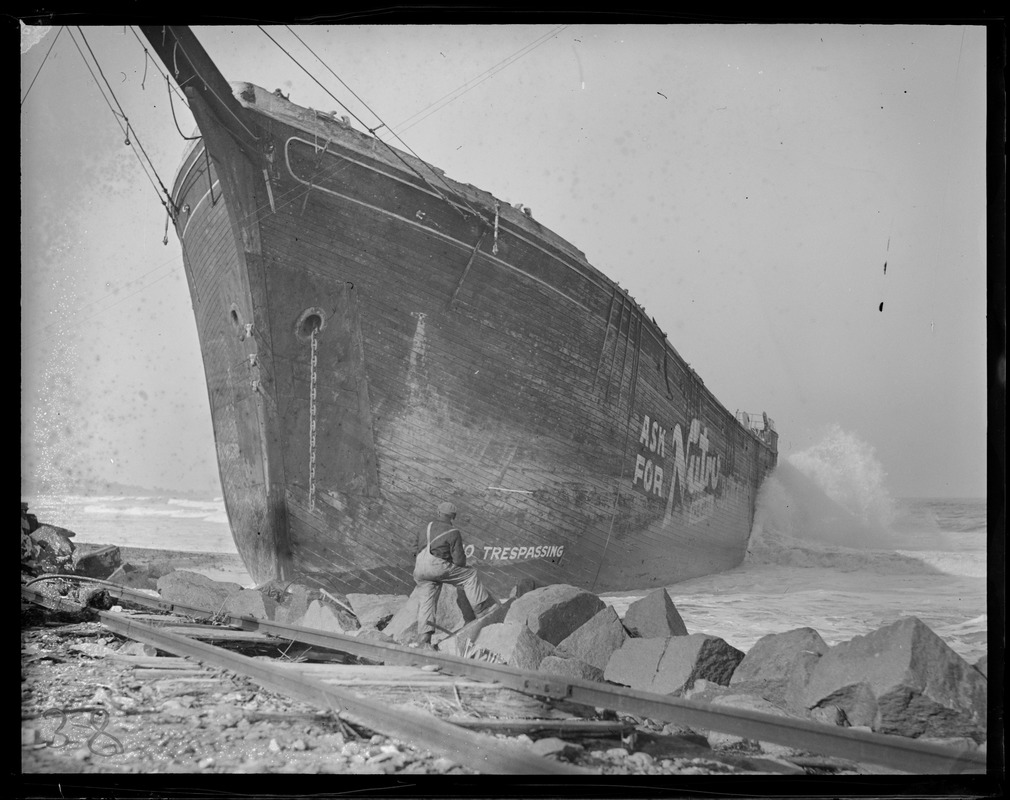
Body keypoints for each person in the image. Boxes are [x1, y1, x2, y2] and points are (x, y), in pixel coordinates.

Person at [412, 501, 497, 648]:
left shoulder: (424, 527)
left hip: (419, 569)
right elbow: (459, 561)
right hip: (437, 567)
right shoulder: (453, 532)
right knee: (470, 575)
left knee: (427, 602)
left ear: (438, 513)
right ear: (453, 517)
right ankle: (482, 611)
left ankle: (424, 640)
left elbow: (414, 550)